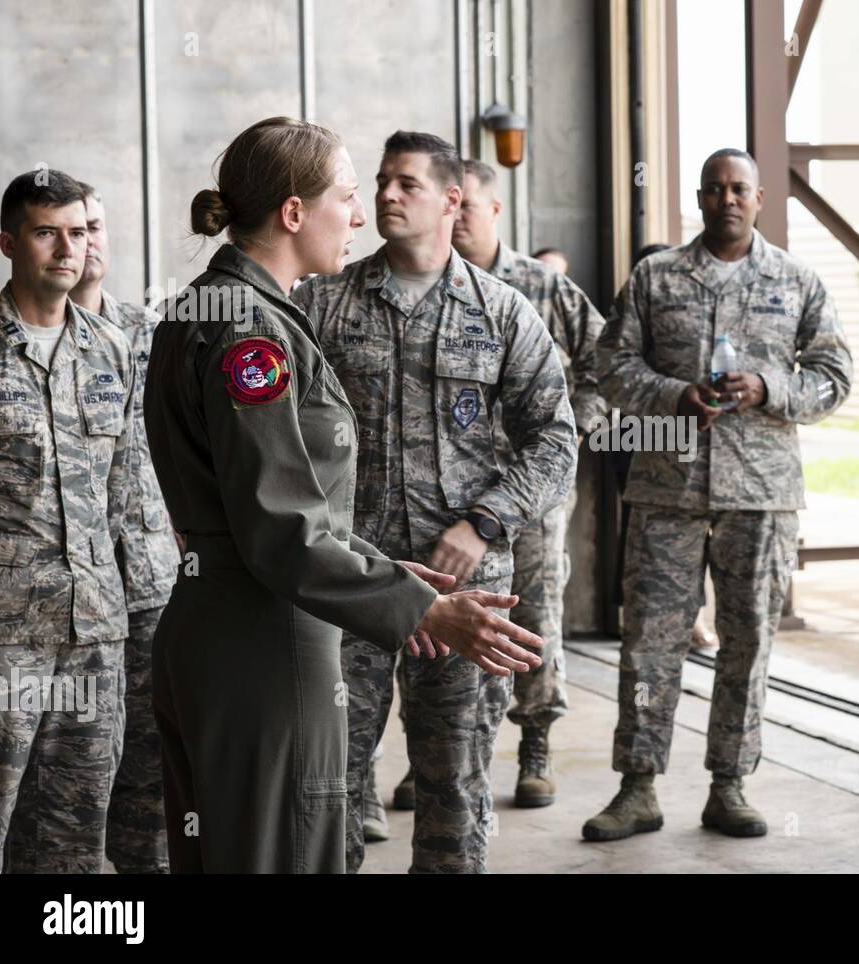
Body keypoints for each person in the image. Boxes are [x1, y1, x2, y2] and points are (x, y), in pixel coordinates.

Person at [145, 116, 544, 874]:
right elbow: (279, 530)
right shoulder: (252, 335)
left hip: (221, 629)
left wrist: (388, 571)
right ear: (294, 213)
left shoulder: (213, 309)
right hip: (268, 648)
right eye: (350, 197)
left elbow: (270, 502)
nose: (361, 217)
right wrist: (424, 610)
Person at [292, 130, 576, 873]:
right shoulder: (325, 304)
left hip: (466, 590)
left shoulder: (504, 312)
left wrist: (483, 524)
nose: (385, 195)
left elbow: (555, 439)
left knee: (455, 785)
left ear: (453, 200)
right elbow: (284, 440)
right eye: (381, 181)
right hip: (350, 584)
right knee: (328, 787)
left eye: (406, 184)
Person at [587, 148, 852, 841]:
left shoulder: (796, 280)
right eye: (715, 189)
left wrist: (770, 389)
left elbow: (834, 376)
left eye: (740, 188)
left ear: (760, 197)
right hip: (665, 490)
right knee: (650, 641)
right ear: (699, 198)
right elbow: (611, 366)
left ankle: (730, 784)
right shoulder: (656, 276)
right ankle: (637, 786)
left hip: (761, 494)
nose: (727, 199)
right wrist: (677, 395)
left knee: (748, 640)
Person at [453, 159, 605, 808]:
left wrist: (574, 430)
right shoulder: (431, 285)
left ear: (494, 211)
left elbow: (607, 362)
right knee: (447, 618)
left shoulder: (544, 288)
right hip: (453, 495)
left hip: (533, 492)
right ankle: (446, 749)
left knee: (535, 615)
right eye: (448, 204)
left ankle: (536, 742)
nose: (455, 217)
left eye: (468, 207)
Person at [0, 169, 134, 873]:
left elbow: (130, 501)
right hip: (4, 639)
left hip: (96, 635)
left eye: (78, 231)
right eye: (47, 232)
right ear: (9, 242)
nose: (66, 248)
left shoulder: (111, 350)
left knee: (76, 839)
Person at [67, 183, 181, 873]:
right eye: (70, 229)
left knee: (152, 767)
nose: (86, 243)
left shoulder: (151, 335)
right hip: (61, 602)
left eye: (96, 227)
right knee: (66, 783)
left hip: (153, 587)